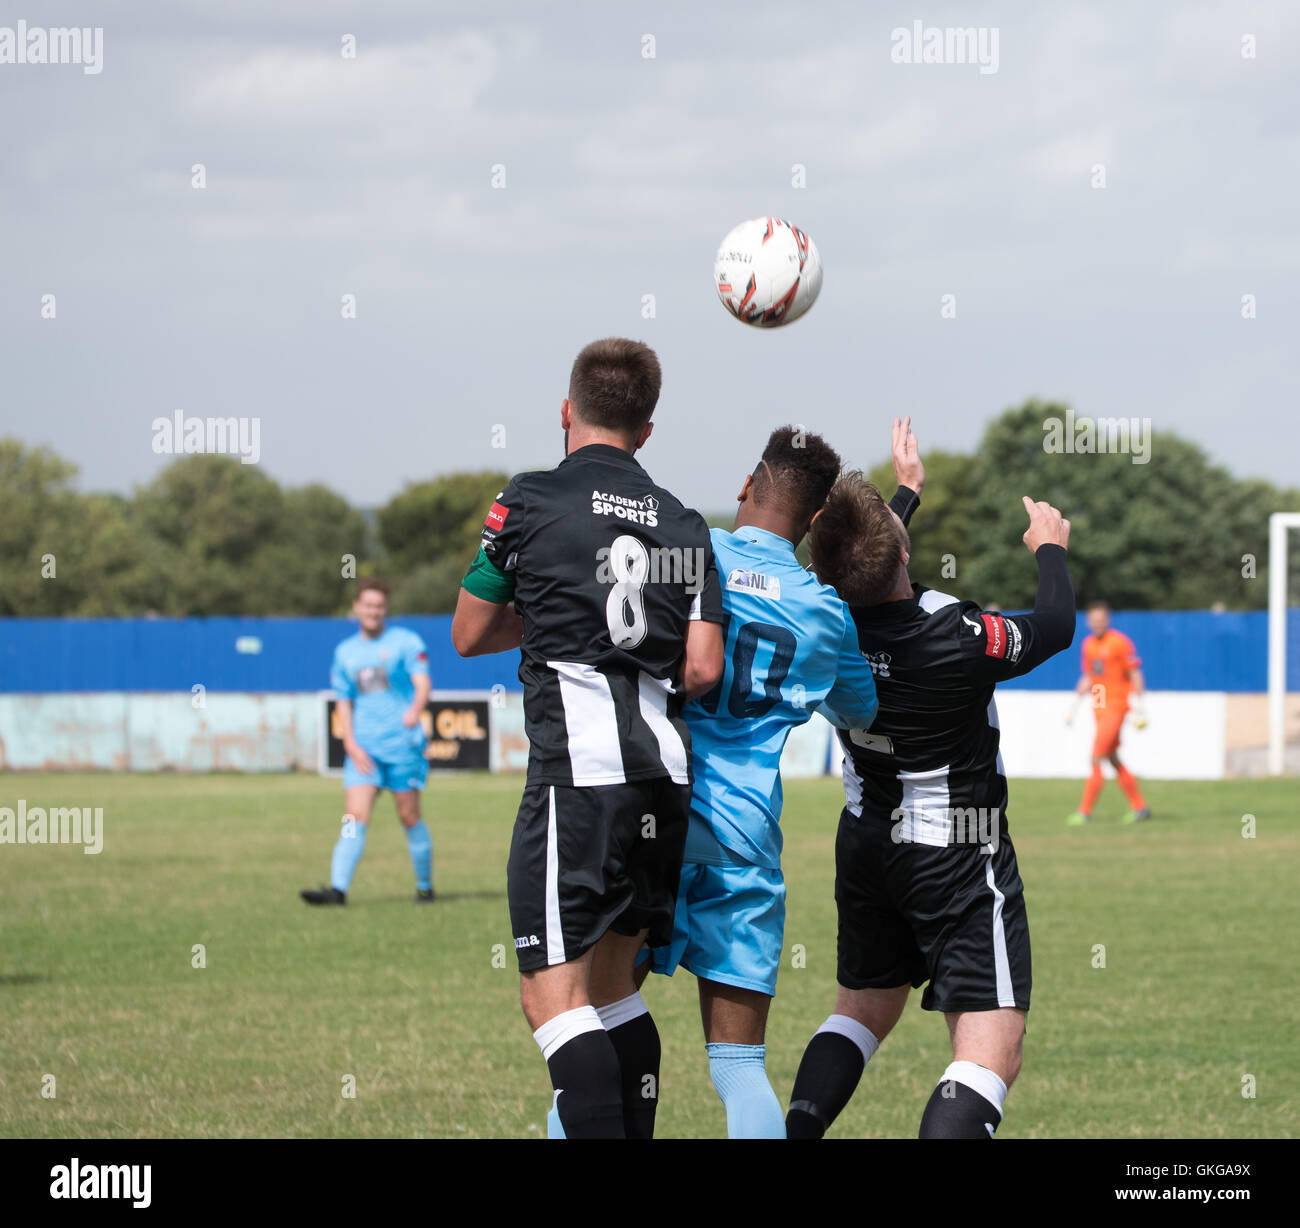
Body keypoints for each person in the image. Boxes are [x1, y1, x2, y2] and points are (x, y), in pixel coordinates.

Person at [451, 337, 724, 1139]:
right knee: (612, 992)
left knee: (552, 997)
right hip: (663, 781)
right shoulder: (685, 524)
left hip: (578, 779)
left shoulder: (529, 500)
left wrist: (550, 614)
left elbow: (468, 632)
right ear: (647, 429)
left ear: (566, 412)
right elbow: (703, 668)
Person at [641, 421, 923, 1138]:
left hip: (650, 819)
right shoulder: (825, 611)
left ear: (746, 483)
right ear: (818, 517)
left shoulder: (688, 553)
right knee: (739, 1067)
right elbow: (861, 710)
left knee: (600, 1033)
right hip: (742, 837)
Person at [785, 448, 1076, 1140]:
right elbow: (1057, 626)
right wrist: (1050, 550)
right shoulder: (956, 635)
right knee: (990, 1050)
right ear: (903, 550)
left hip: (867, 843)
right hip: (956, 854)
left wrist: (905, 493)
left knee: (859, 1012)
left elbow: (859, 562)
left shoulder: (821, 622)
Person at [301, 578, 434, 905]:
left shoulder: (406, 641)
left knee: (409, 817)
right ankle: (337, 890)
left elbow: (422, 683)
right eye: (368, 605)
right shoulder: (345, 652)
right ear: (356, 607)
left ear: (385, 609)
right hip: (364, 750)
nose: (374, 611)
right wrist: (350, 742)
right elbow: (343, 701)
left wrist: (415, 711)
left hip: (402, 745)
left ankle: (424, 887)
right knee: (353, 817)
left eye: (379, 605)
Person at [1066, 600, 1150, 825]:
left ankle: (1084, 811)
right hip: (1100, 707)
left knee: (1096, 757)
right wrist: (1075, 702)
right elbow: (1090, 675)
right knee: (1112, 758)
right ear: (1088, 622)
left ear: (1108, 620)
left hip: (1116, 707)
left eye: (1101, 620)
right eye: (1094, 620)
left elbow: (1135, 672)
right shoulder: (1088, 645)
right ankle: (1140, 807)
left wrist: (1140, 704)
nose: (1098, 624)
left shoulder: (1119, 643)